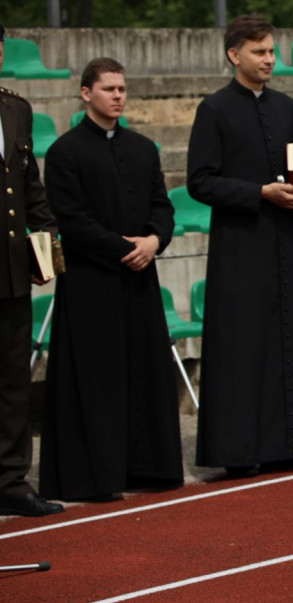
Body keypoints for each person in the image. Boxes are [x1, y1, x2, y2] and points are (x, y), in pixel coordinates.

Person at [39, 58, 183, 501]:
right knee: (98, 380)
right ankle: (95, 476)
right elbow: (72, 221)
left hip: (140, 279)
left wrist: (154, 241)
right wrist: (127, 249)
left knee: (143, 374)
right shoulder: (64, 152)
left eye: (122, 88)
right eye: (109, 89)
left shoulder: (143, 147)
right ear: (86, 94)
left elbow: (163, 206)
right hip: (91, 283)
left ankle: (146, 467)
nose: (118, 96)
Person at [187, 15, 293, 477]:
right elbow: (199, 181)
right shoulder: (214, 109)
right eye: (259, 52)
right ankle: (238, 452)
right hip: (240, 247)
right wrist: (258, 193)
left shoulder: (285, 106)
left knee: (291, 341)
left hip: (285, 242)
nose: (269, 59)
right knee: (244, 347)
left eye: (271, 51)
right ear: (234, 55)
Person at [0, 24, 65, 518]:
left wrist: (48, 255)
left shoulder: (16, 109)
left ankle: (11, 479)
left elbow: (31, 191)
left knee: (12, 381)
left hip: (11, 270)